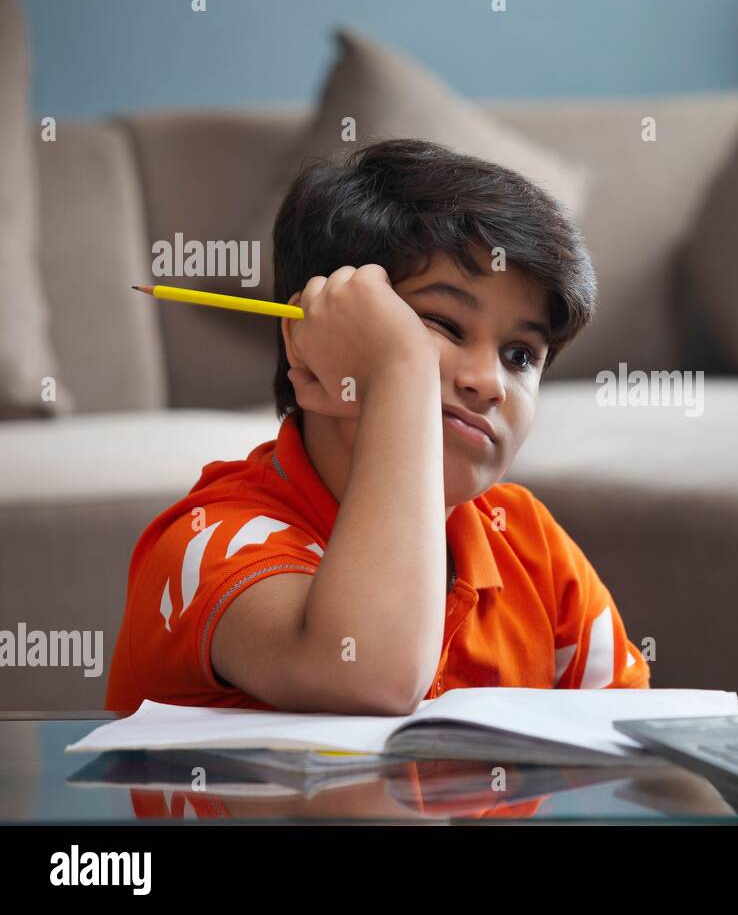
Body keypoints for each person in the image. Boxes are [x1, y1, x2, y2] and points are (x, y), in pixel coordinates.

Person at [105, 139, 651, 715]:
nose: (490, 381)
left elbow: (639, 756)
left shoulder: (529, 544)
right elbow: (369, 676)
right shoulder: (211, 541)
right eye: (440, 323)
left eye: (520, 355)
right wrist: (400, 370)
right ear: (309, 341)